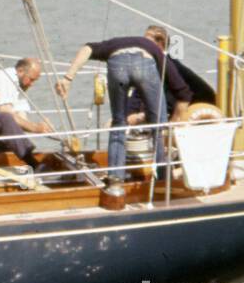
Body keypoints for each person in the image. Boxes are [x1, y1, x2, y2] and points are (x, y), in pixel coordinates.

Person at [55, 34, 192, 183]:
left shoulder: (112, 44)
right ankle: (163, 179)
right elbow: (182, 90)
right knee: (159, 126)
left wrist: (68, 78)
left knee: (118, 125)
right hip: (144, 64)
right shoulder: (155, 49)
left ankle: (115, 178)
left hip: (117, 64)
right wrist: (174, 121)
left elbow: (87, 48)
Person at [128, 25, 244, 144]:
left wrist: (171, 121)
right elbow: (139, 94)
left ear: (160, 44)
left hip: (194, 116)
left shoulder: (170, 67)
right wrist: (129, 113)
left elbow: (184, 95)